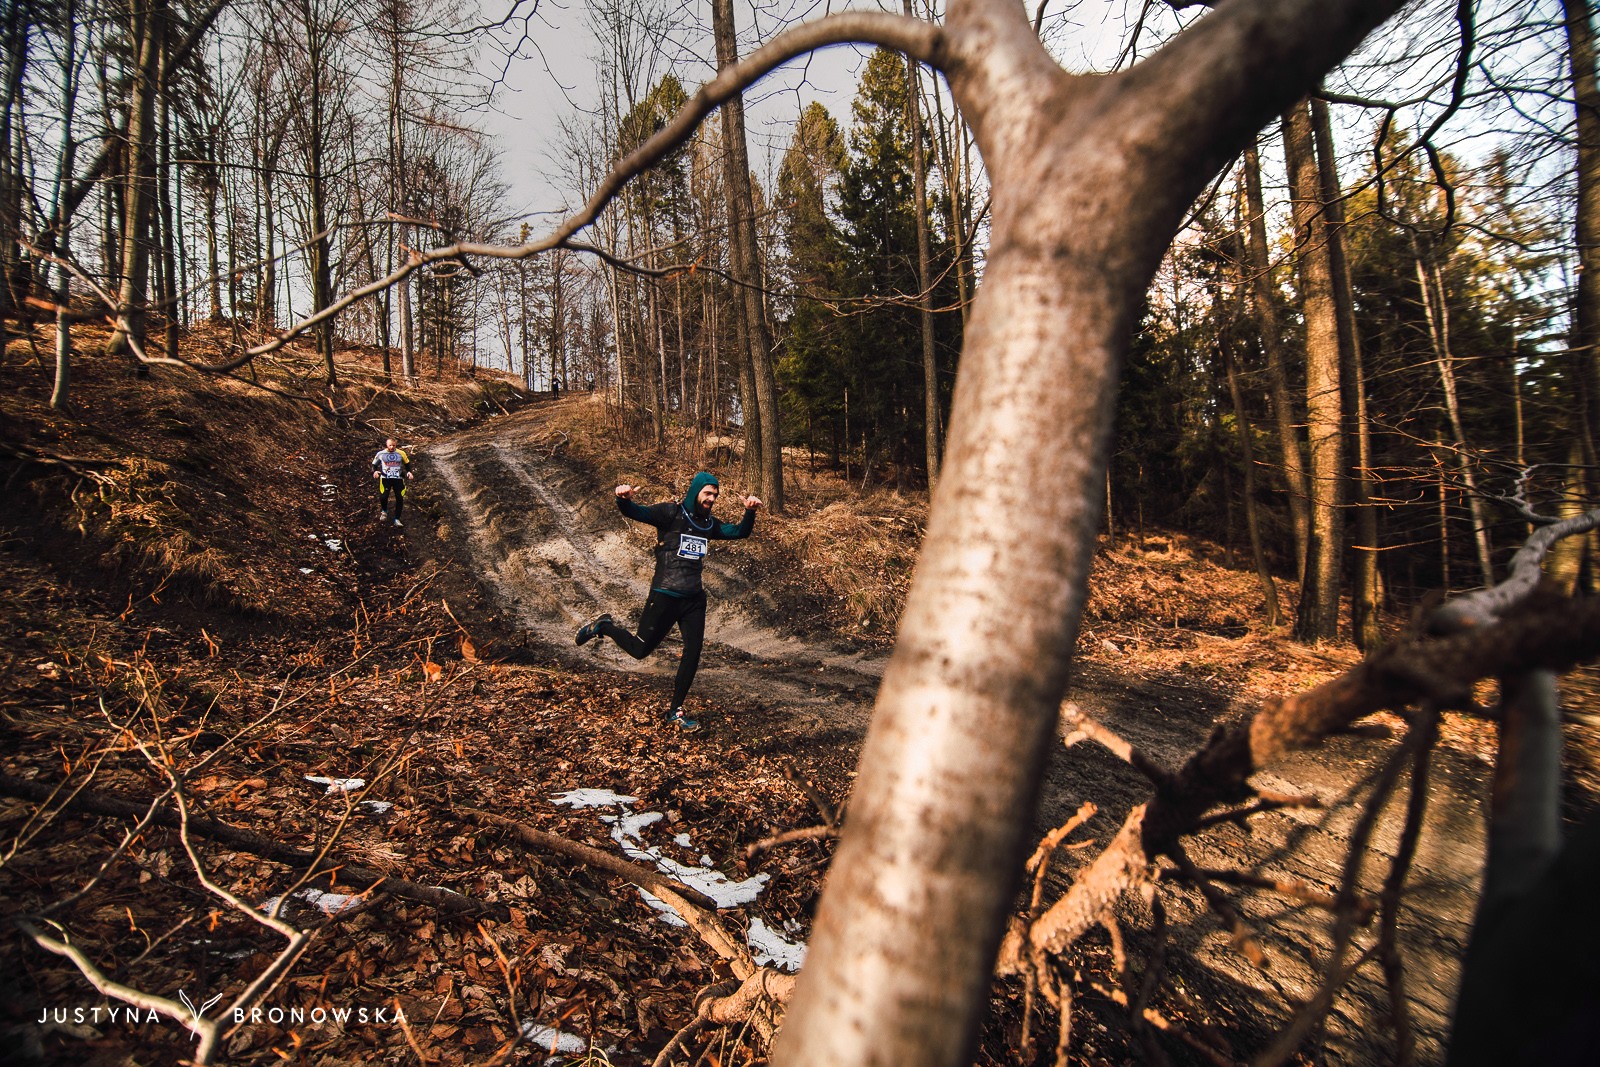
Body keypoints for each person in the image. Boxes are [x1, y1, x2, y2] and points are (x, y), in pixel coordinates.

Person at [576, 472, 761, 731]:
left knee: (693, 653)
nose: (712, 499)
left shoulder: (709, 524)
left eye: (715, 495)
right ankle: (603, 626)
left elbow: (740, 532)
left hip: (693, 600)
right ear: (695, 491)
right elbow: (636, 513)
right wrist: (623, 499)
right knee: (639, 650)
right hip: (664, 595)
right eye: (708, 493)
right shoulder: (670, 513)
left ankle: (675, 710)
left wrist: (749, 512)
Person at [371, 438, 413, 526]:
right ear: (387, 445)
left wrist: (409, 472)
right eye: (390, 445)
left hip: (398, 478)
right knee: (383, 496)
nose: (392, 447)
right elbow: (374, 464)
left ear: (396, 445)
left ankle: (397, 519)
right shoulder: (381, 454)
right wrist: (374, 471)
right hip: (385, 478)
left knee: (399, 498)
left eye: (393, 445)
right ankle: (384, 511)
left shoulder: (401, 453)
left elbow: (407, 464)